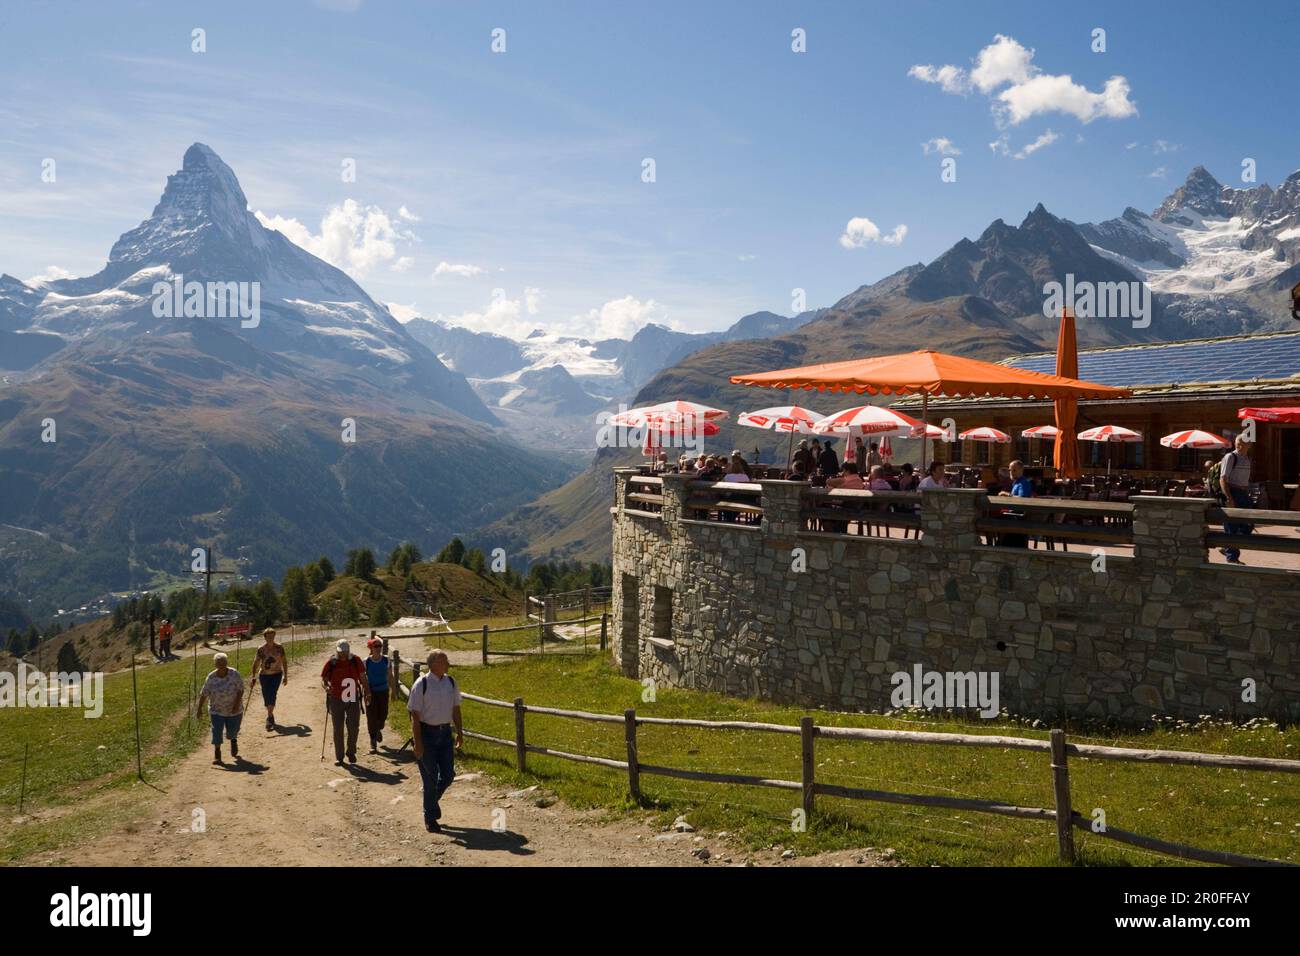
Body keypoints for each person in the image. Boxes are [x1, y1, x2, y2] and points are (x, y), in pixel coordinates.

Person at [408, 650, 463, 833]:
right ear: (433, 664)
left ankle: (431, 801)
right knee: (430, 778)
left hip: (445, 734)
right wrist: (418, 743)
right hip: (426, 735)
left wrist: (460, 732)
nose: (447, 663)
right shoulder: (421, 684)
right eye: (444, 660)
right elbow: (414, 717)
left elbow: (456, 709)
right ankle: (430, 816)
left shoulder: (451, 682)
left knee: (448, 775)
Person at [321, 639, 371, 765]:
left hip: (352, 697)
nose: (342, 654)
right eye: (340, 652)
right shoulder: (331, 662)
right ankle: (339, 756)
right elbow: (323, 679)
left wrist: (367, 692)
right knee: (338, 728)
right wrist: (326, 687)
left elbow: (363, 677)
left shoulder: (356, 660)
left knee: (354, 727)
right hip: (336, 698)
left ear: (348, 650)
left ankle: (351, 751)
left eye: (344, 652)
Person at [197, 652, 244, 765]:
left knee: (232, 731)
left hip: (234, 710)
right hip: (216, 710)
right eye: (219, 663)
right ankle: (217, 754)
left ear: (227, 663)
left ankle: (233, 740)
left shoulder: (234, 674)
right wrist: (199, 709)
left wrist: (236, 704)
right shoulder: (211, 677)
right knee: (216, 731)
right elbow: (204, 694)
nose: (221, 665)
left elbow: (240, 689)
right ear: (215, 664)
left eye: (223, 662)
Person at [1219, 437, 1255, 564]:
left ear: (1249, 445)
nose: (1239, 445)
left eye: (1242, 443)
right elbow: (1223, 478)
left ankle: (1227, 546)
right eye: (1238, 443)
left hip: (1243, 493)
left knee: (1249, 524)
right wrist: (1229, 498)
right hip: (1232, 492)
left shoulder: (1247, 459)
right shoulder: (1230, 457)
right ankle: (1232, 558)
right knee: (1231, 526)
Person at [249, 627, 288, 731]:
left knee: (272, 693)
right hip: (264, 675)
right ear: (265, 637)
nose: (270, 638)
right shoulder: (261, 649)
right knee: (266, 695)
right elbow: (256, 663)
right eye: (268, 637)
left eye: (272, 636)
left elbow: (284, 661)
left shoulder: (279, 647)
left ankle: (269, 717)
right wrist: (253, 676)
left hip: (276, 674)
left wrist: (285, 676)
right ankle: (270, 715)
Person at [996, 460, 1032, 548]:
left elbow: (1022, 500)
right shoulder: (1016, 482)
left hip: (1017, 517)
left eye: (1014, 470)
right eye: (1010, 470)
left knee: (993, 520)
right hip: (1013, 515)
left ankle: (997, 545)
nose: (1011, 472)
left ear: (1021, 471)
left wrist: (1007, 495)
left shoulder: (1023, 483)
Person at [364, 634, 390, 753]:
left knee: (383, 715)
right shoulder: (366, 662)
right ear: (371, 648)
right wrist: (365, 690)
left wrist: (394, 690)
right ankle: (373, 741)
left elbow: (390, 675)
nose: (378, 648)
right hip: (371, 692)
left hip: (383, 691)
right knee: (371, 717)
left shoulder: (386, 659)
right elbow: (362, 677)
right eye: (376, 646)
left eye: (380, 646)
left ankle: (378, 728)